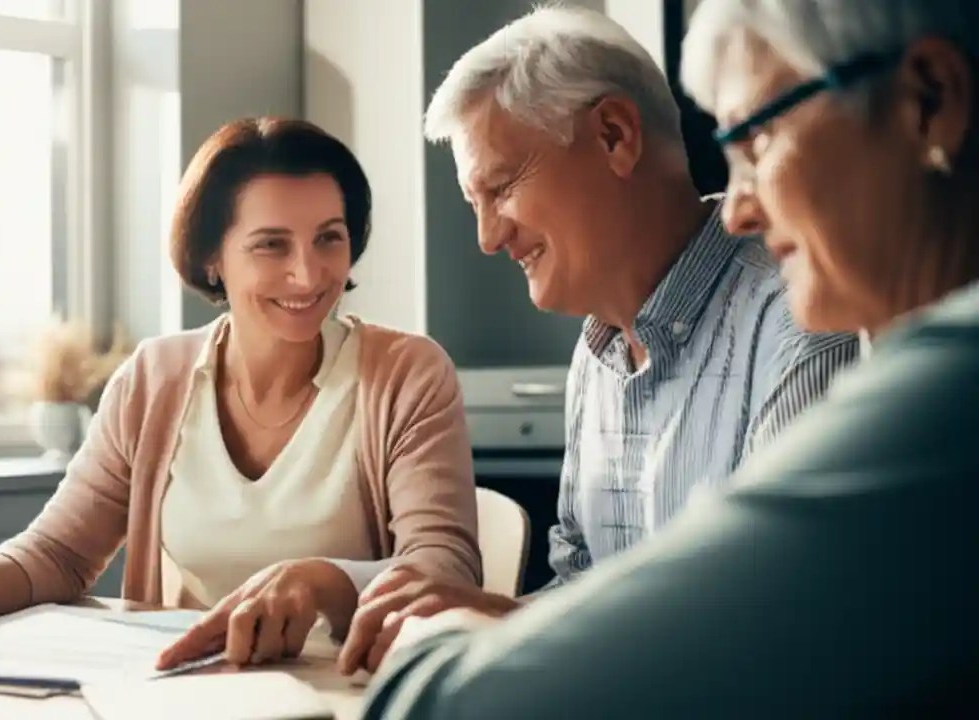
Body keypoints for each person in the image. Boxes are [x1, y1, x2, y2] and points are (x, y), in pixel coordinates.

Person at [358, 0, 979, 715]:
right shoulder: (598, 348)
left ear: (928, 99)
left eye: (759, 139)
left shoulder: (912, 369)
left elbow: (761, 640)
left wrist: (440, 652)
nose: (739, 207)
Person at [0, 117, 482, 670]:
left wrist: (323, 581)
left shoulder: (407, 373)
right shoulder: (155, 377)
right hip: (187, 693)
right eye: (272, 244)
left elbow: (444, 570)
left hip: (351, 697)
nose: (308, 273)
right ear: (212, 257)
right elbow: (60, 553)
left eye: (329, 237)